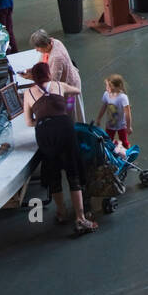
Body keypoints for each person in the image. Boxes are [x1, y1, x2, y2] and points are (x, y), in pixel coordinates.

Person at [23, 62, 94, 234]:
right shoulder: (59, 85)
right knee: (73, 172)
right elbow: (76, 91)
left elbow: (28, 122)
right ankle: (80, 218)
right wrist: (65, 108)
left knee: (53, 172)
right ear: (48, 73)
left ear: (33, 76)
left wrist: (43, 120)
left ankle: (61, 213)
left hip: (45, 134)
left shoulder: (28, 93)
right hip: (65, 128)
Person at [98, 74, 133, 148]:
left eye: (110, 86)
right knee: (108, 141)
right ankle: (110, 152)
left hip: (121, 125)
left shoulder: (123, 97)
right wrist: (99, 118)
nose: (107, 88)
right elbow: (103, 108)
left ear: (118, 87)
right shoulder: (106, 94)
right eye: (106, 86)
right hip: (110, 124)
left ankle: (127, 153)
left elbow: (127, 113)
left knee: (124, 142)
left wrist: (128, 126)